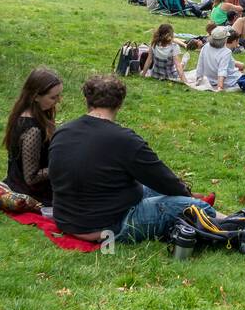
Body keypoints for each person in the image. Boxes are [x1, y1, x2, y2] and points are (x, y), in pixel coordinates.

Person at [47, 74, 211, 243]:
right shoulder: (124, 140)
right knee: (199, 209)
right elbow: (162, 178)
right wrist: (186, 197)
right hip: (108, 225)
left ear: (87, 100)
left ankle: (192, 200)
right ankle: (231, 223)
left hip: (67, 220)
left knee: (152, 189)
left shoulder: (63, 132)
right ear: (120, 103)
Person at [4, 67, 63, 203]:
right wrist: (62, 165)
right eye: (53, 97)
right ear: (36, 96)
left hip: (17, 182)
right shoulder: (33, 130)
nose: (58, 100)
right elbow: (31, 177)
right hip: (32, 193)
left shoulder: (23, 113)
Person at [193, 25, 244, 91]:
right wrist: (220, 87)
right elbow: (222, 71)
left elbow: (200, 64)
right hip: (228, 80)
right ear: (224, 39)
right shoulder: (226, 52)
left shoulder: (206, 46)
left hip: (209, 79)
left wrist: (198, 78)